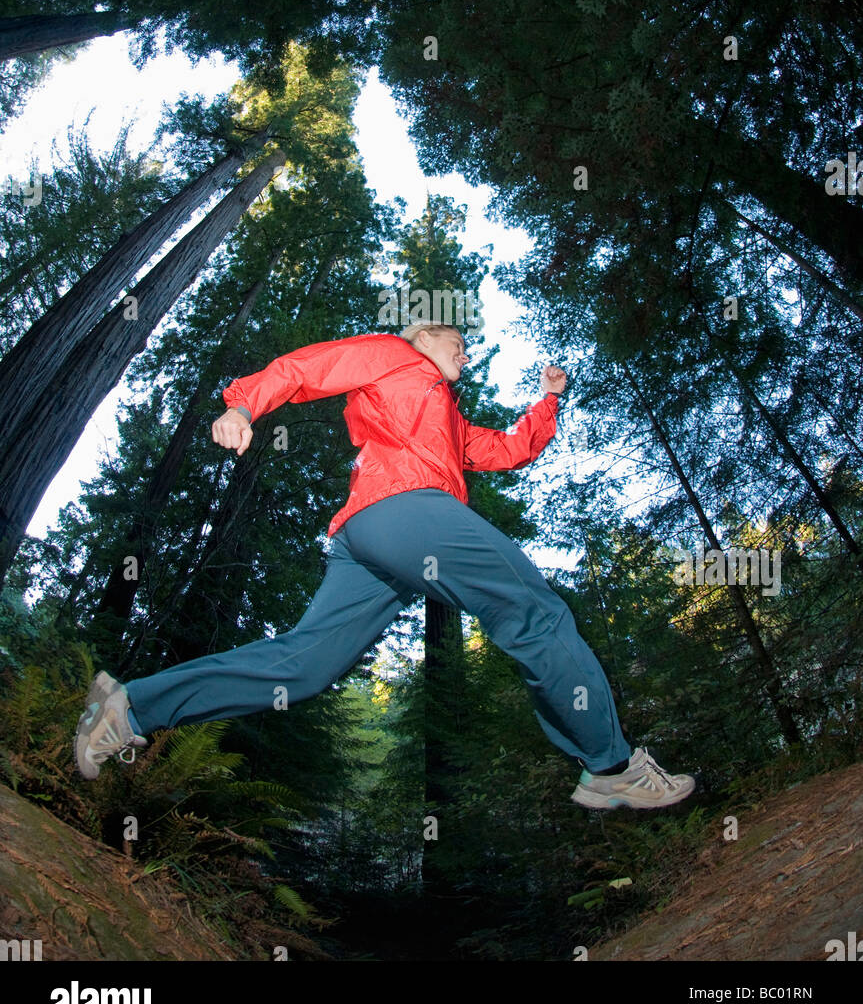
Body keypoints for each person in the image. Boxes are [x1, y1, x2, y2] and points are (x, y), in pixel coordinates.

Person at [74, 322, 695, 811]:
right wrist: (244, 406)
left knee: (306, 665)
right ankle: (610, 768)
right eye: (458, 341)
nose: (465, 354)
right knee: (532, 609)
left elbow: (508, 450)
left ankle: (130, 708)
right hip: (400, 509)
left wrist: (550, 401)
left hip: (374, 541)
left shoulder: (448, 418)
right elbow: (309, 368)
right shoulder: (392, 355)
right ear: (421, 337)